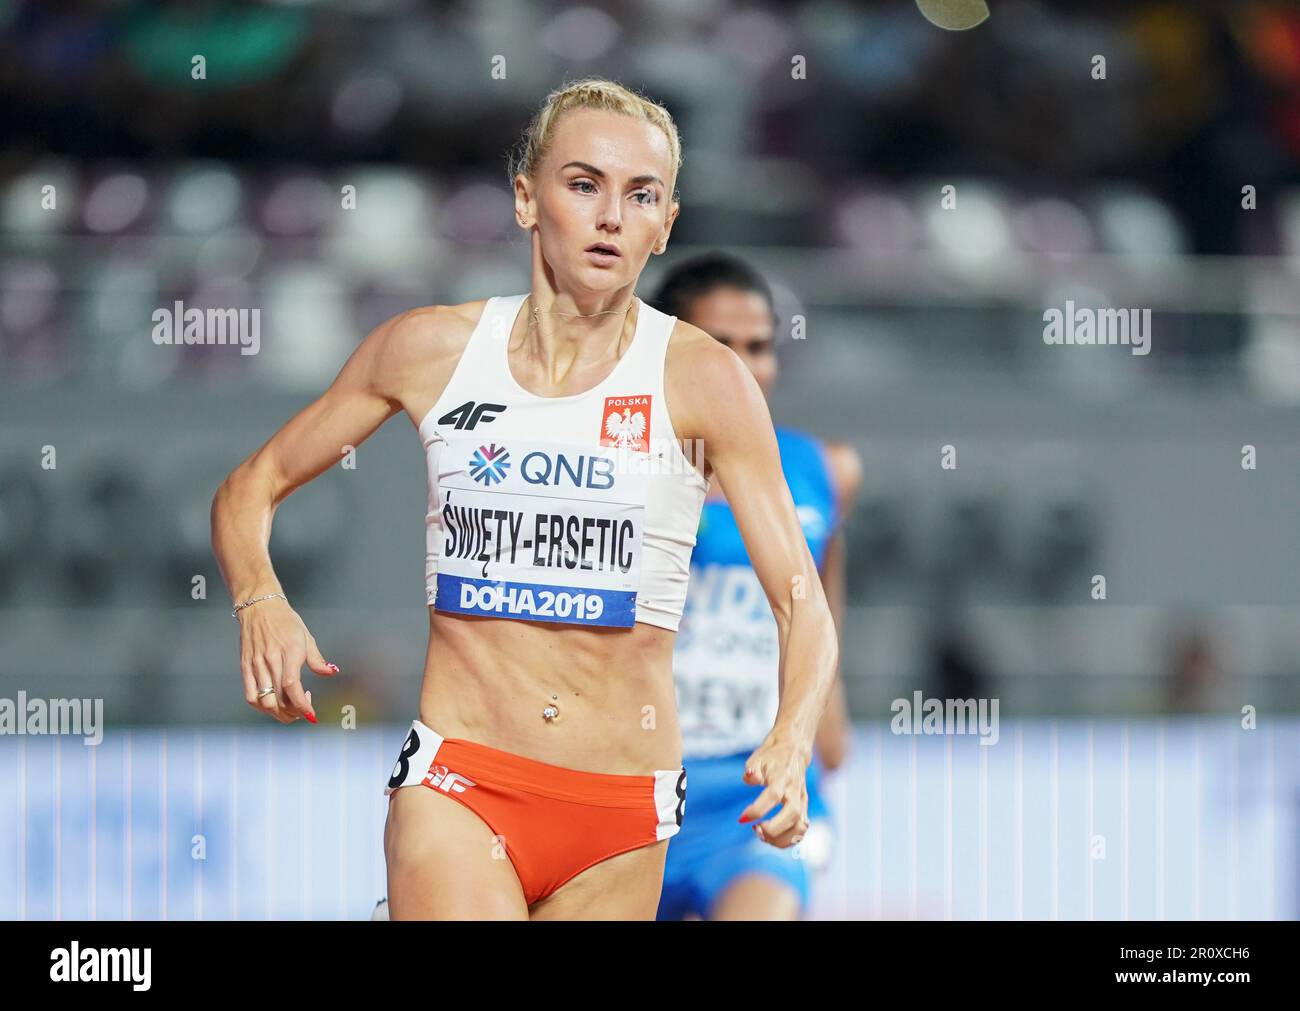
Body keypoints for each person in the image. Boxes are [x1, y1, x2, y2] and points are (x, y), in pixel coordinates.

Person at [210, 77, 839, 920]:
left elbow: (801, 600)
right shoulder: (428, 350)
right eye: (583, 184)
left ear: (665, 223)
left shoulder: (705, 379)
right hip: (462, 781)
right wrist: (261, 599)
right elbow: (249, 487)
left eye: (640, 195)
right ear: (525, 199)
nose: (611, 216)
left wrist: (792, 735)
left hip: (623, 810)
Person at [651, 254, 861, 920]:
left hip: (752, 795)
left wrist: (823, 723)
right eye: (720, 346)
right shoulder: (616, 467)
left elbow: (818, 607)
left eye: (760, 346)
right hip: (631, 795)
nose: (742, 367)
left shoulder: (826, 469)